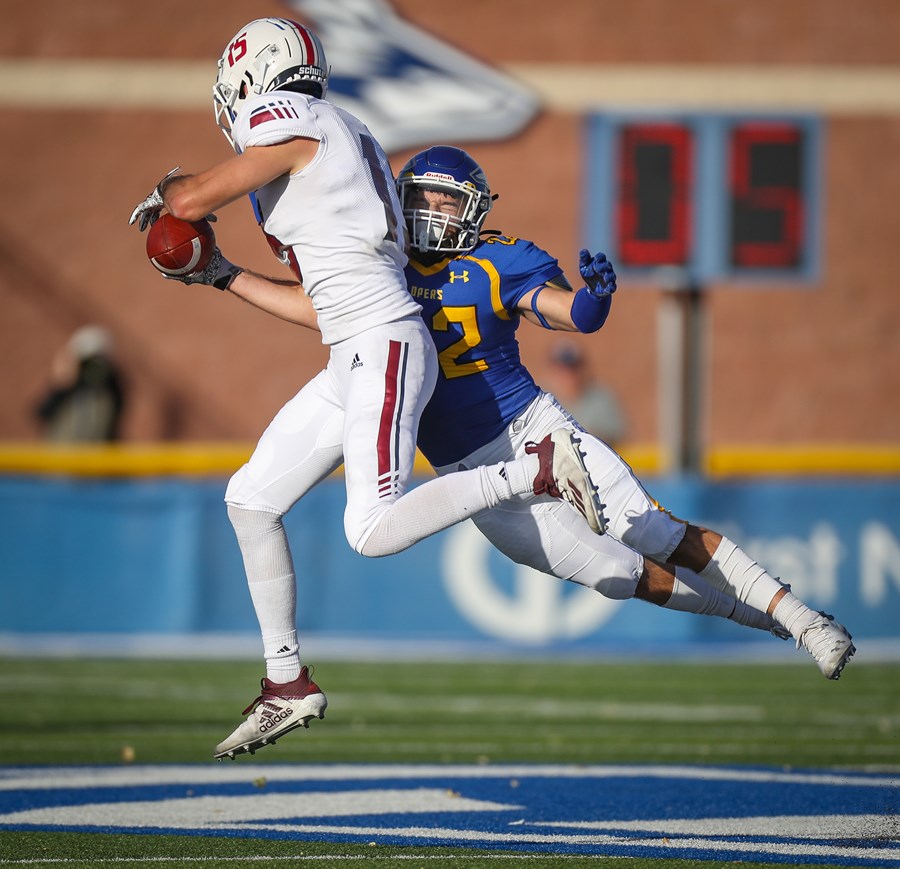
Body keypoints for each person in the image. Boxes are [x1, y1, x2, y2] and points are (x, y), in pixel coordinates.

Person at [127, 19, 605, 760]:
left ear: (255, 80)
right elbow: (325, 304)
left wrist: (168, 194)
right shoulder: (336, 133)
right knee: (250, 498)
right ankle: (285, 681)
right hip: (356, 344)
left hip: (380, 343)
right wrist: (222, 275)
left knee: (370, 528)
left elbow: (188, 199)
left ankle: (535, 468)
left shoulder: (296, 117)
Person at [394, 145, 855, 679]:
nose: (430, 209)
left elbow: (572, 316)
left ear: (472, 209)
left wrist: (594, 299)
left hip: (532, 434)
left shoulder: (498, 260)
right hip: (466, 474)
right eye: (421, 196)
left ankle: (805, 623)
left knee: (650, 530)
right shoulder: (383, 263)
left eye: (445, 199)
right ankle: (766, 619)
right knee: (617, 575)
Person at [35, 325, 125, 442]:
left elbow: (118, 404)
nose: (93, 367)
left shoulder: (109, 388)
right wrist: (62, 381)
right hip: (65, 456)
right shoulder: (69, 385)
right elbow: (42, 412)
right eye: (88, 361)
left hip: (98, 455)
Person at [546, 339, 626, 446]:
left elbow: (617, 436)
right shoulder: (543, 399)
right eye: (562, 368)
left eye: (573, 367)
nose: (568, 374)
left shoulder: (600, 398)